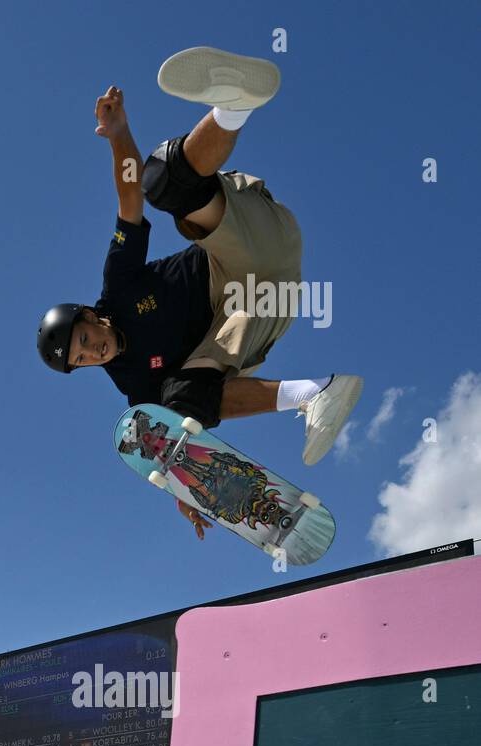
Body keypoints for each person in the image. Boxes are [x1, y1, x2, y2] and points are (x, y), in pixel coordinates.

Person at [37, 47, 363, 539]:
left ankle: (236, 104)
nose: (91, 354)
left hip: (248, 245)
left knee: (162, 179)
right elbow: (170, 444)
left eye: (83, 340)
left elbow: (129, 199)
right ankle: (316, 393)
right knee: (178, 405)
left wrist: (119, 133)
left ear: (90, 316)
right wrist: (184, 491)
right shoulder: (133, 387)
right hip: (260, 307)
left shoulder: (118, 285)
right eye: (81, 361)